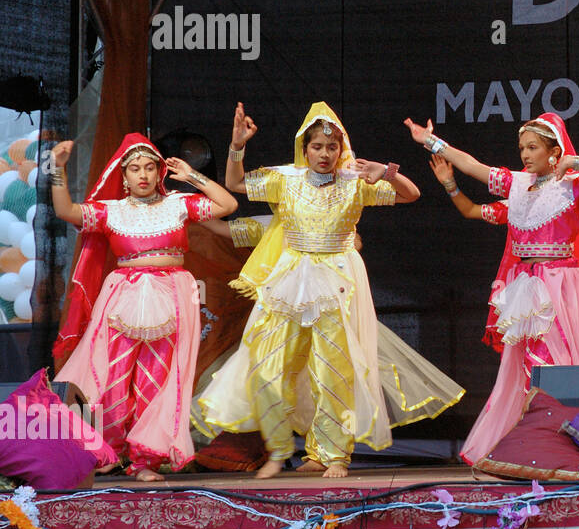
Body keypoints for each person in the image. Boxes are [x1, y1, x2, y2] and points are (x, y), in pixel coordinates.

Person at [195, 102, 420, 478]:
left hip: (337, 279)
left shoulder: (353, 182)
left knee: (331, 369)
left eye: (332, 147)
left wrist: (388, 172)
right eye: (318, 147)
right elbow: (235, 184)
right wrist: (237, 146)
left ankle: (330, 455)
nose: (325, 154)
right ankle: (279, 450)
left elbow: (411, 195)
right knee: (268, 365)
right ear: (305, 147)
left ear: (341, 148)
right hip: (291, 279)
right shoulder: (287, 180)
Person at [406, 112, 579, 465]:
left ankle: (566, 441)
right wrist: (432, 143)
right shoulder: (514, 184)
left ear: (554, 151)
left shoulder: (574, 186)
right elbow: (471, 166)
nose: (525, 155)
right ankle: (530, 443)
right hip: (525, 286)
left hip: (561, 285)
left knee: (560, 361)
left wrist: (573, 161)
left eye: (533, 147)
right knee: (524, 365)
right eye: (521, 148)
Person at [52, 133, 237, 480]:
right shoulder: (112, 212)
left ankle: (144, 461)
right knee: (113, 376)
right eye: (134, 168)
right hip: (123, 297)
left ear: (160, 172)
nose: (143, 174)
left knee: (158, 378)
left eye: (150, 167)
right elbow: (66, 210)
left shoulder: (178, 205)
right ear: (123, 177)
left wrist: (193, 177)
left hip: (172, 294)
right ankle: (107, 451)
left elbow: (227, 206)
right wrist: (57, 170)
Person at [195, 215, 465, 429]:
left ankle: (323, 451)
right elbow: (222, 229)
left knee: (330, 379)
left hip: (327, 312)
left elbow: (355, 241)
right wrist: (187, 210)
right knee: (269, 377)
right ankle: (283, 447)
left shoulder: (326, 215)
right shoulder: (270, 223)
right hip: (285, 319)